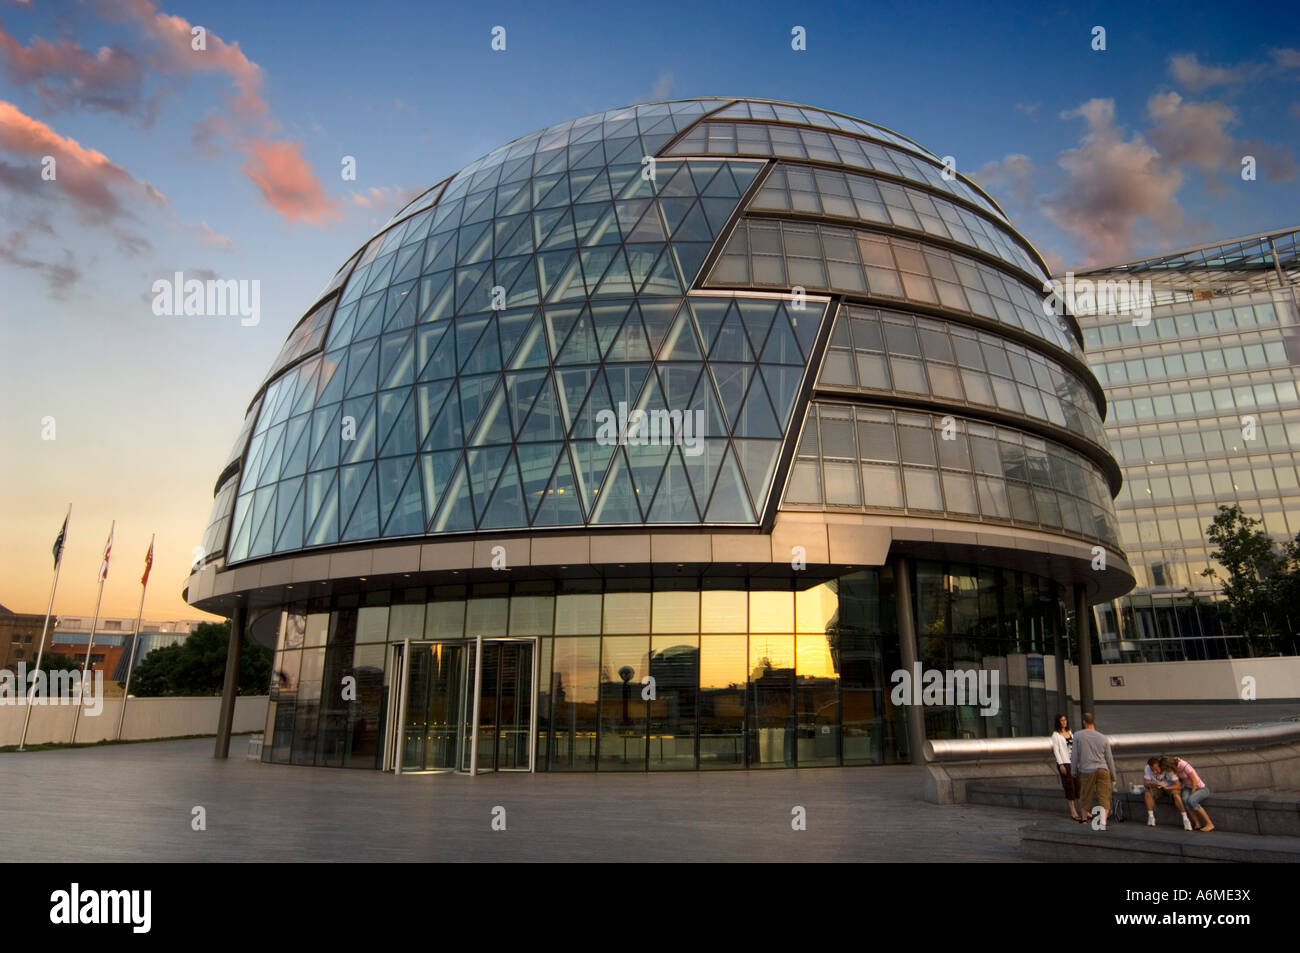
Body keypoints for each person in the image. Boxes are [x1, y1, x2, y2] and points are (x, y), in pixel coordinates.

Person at [1071, 712, 1118, 830]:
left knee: (1085, 794)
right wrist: (1113, 775)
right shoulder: (1103, 737)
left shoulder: (1078, 735)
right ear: (1093, 722)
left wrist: (1073, 771)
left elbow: (1074, 755)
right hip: (1103, 769)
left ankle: (1084, 819)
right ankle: (1103, 822)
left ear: (1084, 722)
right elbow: (1109, 758)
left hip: (1087, 770)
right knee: (1104, 796)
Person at [1162, 756, 1214, 832]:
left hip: (1200, 788)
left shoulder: (1184, 765)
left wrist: (1193, 792)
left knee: (1191, 801)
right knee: (1184, 800)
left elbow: (1195, 780)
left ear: (1169, 766)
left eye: (1167, 768)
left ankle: (1209, 824)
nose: (1167, 770)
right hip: (1187, 788)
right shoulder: (1175, 768)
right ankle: (1197, 823)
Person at [1143, 756, 1192, 830]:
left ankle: (1185, 818)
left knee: (1176, 796)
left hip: (1171, 786)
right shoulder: (1147, 768)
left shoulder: (1168, 769)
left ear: (1160, 765)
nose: (1155, 772)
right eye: (1153, 770)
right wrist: (1154, 784)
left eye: (1156, 769)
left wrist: (1167, 787)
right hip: (1158, 787)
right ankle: (1151, 817)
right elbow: (1146, 783)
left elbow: (1178, 785)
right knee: (1147, 793)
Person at [1050, 714, 1083, 822]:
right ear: (1058, 722)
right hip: (1065, 762)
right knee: (1069, 787)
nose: (1064, 722)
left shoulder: (1070, 732)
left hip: (1073, 762)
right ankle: (1073, 811)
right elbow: (1056, 751)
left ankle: (1083, 810)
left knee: (1078, 785)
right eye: (1062, 720)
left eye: (1065, 720)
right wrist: (1061, 764)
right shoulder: (1056, 735)